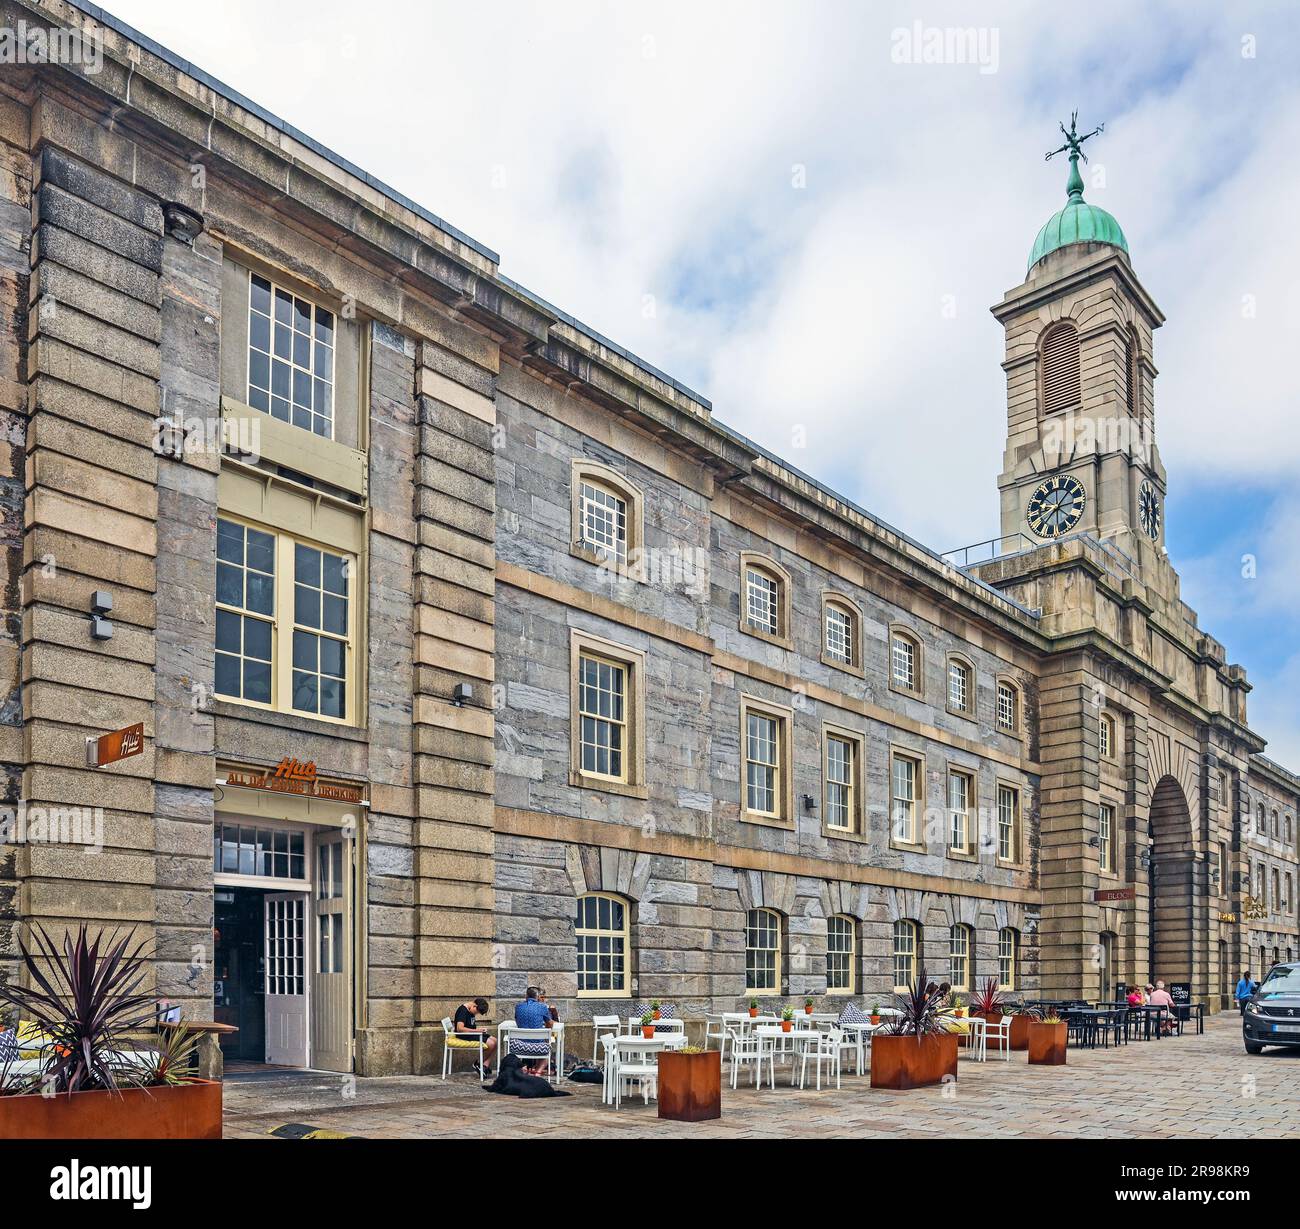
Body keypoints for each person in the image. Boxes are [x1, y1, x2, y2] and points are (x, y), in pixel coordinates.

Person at [512, 986, 554, 1073]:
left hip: (519, 1047)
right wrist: (546, 1031)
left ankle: (523, 1067)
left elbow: (517, 1022)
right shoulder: (542, 1007)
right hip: (538, 1048)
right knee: (547, 1047)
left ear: (526, 996)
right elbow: (550, 1023)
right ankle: (537, 1073)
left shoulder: (518, 1007)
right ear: (538, 997)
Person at [453, 996, 497, 1077]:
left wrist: (479, 1030)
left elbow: (470, 1026)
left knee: (495, 1040)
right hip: (464, 1036)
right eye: (476, 1011)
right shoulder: (463, 1011)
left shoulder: (471, 1010)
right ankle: (479, 1064)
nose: (476, 1014)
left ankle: (484, 1066)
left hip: (472, 1033)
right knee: (491, 1044)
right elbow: (459, 1028)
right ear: (474, 1005)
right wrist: (477, 1030)